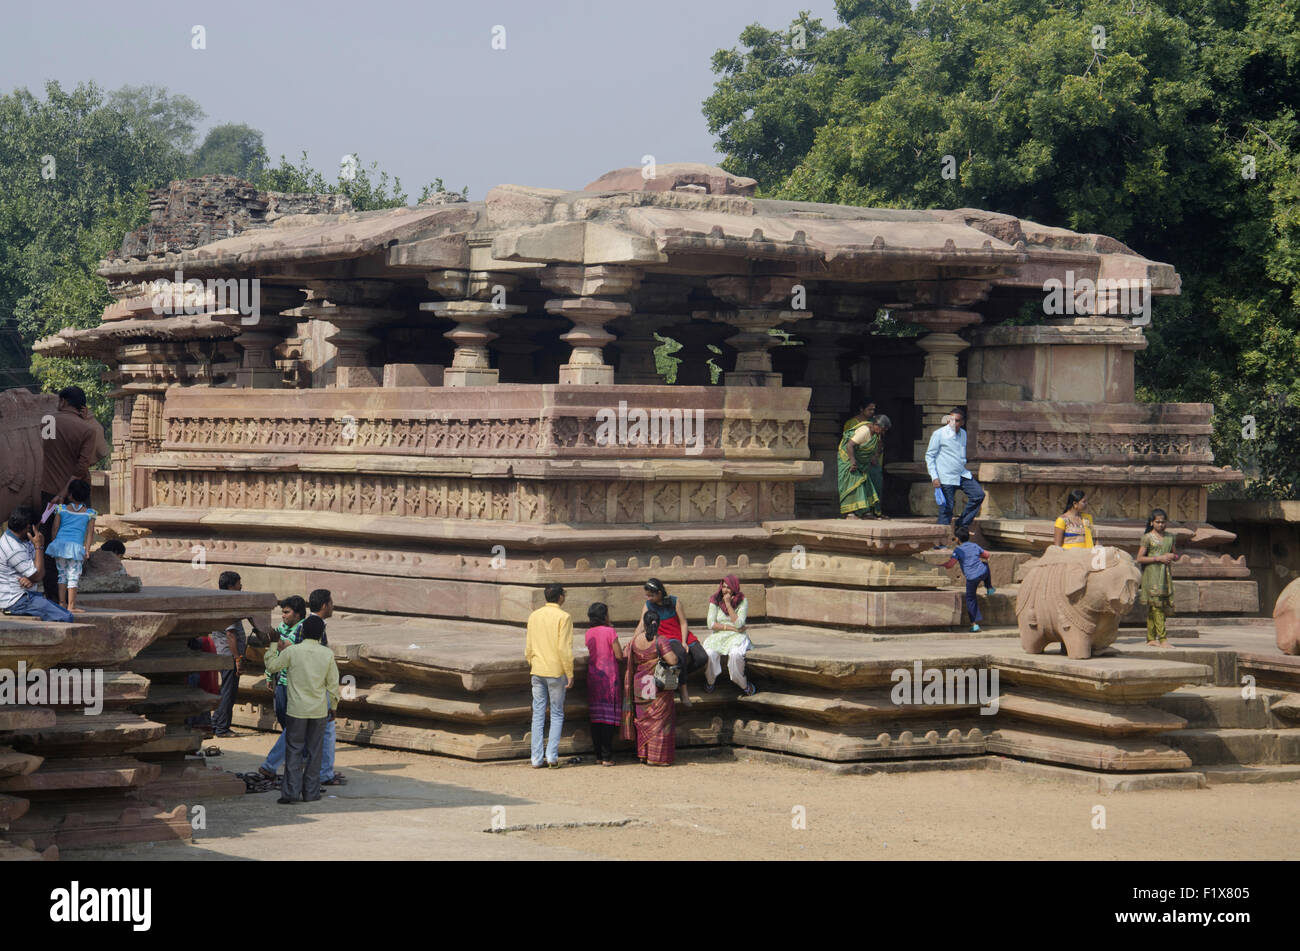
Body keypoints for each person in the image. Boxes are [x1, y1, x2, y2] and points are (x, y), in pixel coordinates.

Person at [38, 386, 107, 602]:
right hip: (77, 492)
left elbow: (46, 448)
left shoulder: (47, 420)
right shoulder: (87, 430)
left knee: (49, 541)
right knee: (77, 545)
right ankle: (71, 600)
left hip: (48, 493)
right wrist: (89, 421)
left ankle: (52, 596)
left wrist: (57, 492)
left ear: (64, 401)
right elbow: (82, 466)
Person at [264, 615, 340, 804]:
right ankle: (311, 793)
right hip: (319, 710)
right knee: (315, 752)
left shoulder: (293, 651)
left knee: (294, 751)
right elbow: (333, 685)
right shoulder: (327, 654)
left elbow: (272, 666)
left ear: (303, 632)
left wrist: (273, 645)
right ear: (321, 634)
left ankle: (290, 793)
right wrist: (335, 707)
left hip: (297, 710)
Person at [210, 571, 266, 739]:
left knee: (226, 690)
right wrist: (238, 659)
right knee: (229, 692)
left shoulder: (222, 601)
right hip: (229, 655)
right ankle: (222, 728)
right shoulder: (229, 604)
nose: (241, 587)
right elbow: (231, 635)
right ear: (230, 586)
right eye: (238, 584)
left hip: (223, 653)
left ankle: (216, 724)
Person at [257, 596, 307, 781]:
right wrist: (270, 675)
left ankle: (271, 764)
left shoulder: (303, 629)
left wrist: (272, 638)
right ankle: (298, 758)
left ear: (298, 614)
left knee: (293, 727)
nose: (284, 616)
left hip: (295, 685)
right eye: (282, 612)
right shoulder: (282, 628)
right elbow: (273, 650)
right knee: (288, 725)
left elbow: (289, 649)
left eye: (287, 612)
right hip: (281, 682)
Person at [524, 583, 573, 768]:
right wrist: (569, 672)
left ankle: (536, 758)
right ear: (561, 597)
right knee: (557, 713)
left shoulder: (534, 615)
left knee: (538, 714)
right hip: (555, 671)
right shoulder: (564, 617)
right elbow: (564, 648)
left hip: (537, 669)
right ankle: (551, 756)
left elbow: (528, 647)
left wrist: (533, 662)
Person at [621, 612, 679, 766]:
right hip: (657, 686)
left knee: (643, 722)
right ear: (658, 623)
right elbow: (672, 660)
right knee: (660, 723)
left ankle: (644, 755)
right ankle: (658, 758)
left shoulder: (634, 641)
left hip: (640, 685)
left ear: (644, 624)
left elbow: (627, 657)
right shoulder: (661, 641)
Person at [637, 578, 705, 705]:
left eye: (651, 595)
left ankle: (676, 677)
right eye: (647, 595)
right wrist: (632, 642)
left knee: (702, 657)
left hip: (683, 634)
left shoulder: (674, 601)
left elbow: (684, 623)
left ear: (659, 593)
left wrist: (684, 641)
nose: (648, 598)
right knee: (681, 655)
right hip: (668, 637)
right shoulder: (648, 605)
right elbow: (641, 624)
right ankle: (684, 691)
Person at [0, 506, 74, 623]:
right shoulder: (13, 548)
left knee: (66, 613)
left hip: (28, 595)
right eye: (38, 526)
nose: (39, 531)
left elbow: (37, 571)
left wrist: (32, 578)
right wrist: (39, 546)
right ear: (29, 527)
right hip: (17, 602)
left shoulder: (25, 539)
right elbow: (39, 574)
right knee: (65, 617)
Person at [925, 407, 985, 535]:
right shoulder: (939, 434)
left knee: (978, 495)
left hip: (961, 473)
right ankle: (940, 542)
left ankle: (962, 524)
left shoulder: (963, 433)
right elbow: (930, 456)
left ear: (962, 422)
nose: (953, 423)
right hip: (945, 476)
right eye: (950, 420)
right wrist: (934, 477)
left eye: (956, 421)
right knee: (947, 509)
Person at [307, 588, 346, 785]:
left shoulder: (305, 627)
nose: (333, 606)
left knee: (297, 733)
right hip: (318, 690)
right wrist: (333, 703)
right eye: (331, 602)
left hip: (303, 690)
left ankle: (273, 766)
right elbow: (329, 673)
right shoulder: (317, 630)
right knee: (327, 731)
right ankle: (324, 774)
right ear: (325, 605)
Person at [45, 479, 95, 613]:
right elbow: (90, 534)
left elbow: (55, 529)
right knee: (73, 577)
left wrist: (54, 542)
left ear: (70, 495)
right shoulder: (90, 513)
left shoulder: (61, 509)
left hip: (60, 545)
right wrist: (87, 550)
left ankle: (62, 603)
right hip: (76, 548)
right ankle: (71, 606)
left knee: (61, 575)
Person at [584, 602, 623, 766]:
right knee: (608, 718)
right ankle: (607, 756)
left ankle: (598, 755)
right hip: (609, 677)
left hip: (594, 676)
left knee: (596, 718)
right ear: (604, 616)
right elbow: (619, 655)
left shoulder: (589, 633)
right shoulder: (610, 631)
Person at [703, 575, 756, 695]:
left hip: (737, 637)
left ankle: (743, 684)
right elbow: (710, 624)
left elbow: (739, 623)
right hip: (719, 635)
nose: (725, 590)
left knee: (736, 655)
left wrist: (728, 604)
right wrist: (731, 628)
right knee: (709, 654)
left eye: (729, 587)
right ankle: (710, 681)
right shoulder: (715, 599)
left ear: (735, 588)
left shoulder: (742, 601)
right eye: (724, 587)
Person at [1136, 508, 1177, 648]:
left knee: (1156, 607)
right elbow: (1139, 558)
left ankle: (1151, 638)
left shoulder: (1170, 537)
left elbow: (1175, 555)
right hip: (1152, 575)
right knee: (1156, 606)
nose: (1161, 525)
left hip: (1165, 575)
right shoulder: (1147, 537)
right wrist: (1158, 558)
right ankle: (1163, 639)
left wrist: (1173, 557)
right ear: (1152, 523)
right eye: (1158, 522)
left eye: (1163, 522)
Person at [943, 526, 996, 633]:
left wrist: (941, 564)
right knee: (985, 565)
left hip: (972, 578)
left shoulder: (958, 550)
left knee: (970, 599)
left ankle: (975, 625)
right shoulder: (975, 546)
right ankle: (989, 587)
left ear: (957, 539)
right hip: (983, 573)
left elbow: (951, 564)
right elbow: (987, 555)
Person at [839, 415, 891, 518]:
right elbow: (849, 445)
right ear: (876, 425)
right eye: (882, 429)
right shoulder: (865, 431)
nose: (882, 432)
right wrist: (853, 462)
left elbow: (879, 445)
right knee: (853, 483)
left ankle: (864, 512)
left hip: (861, 462)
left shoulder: (876, 433)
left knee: (865, 484)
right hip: (848, 458)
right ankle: (851, 512)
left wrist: (875, 456)